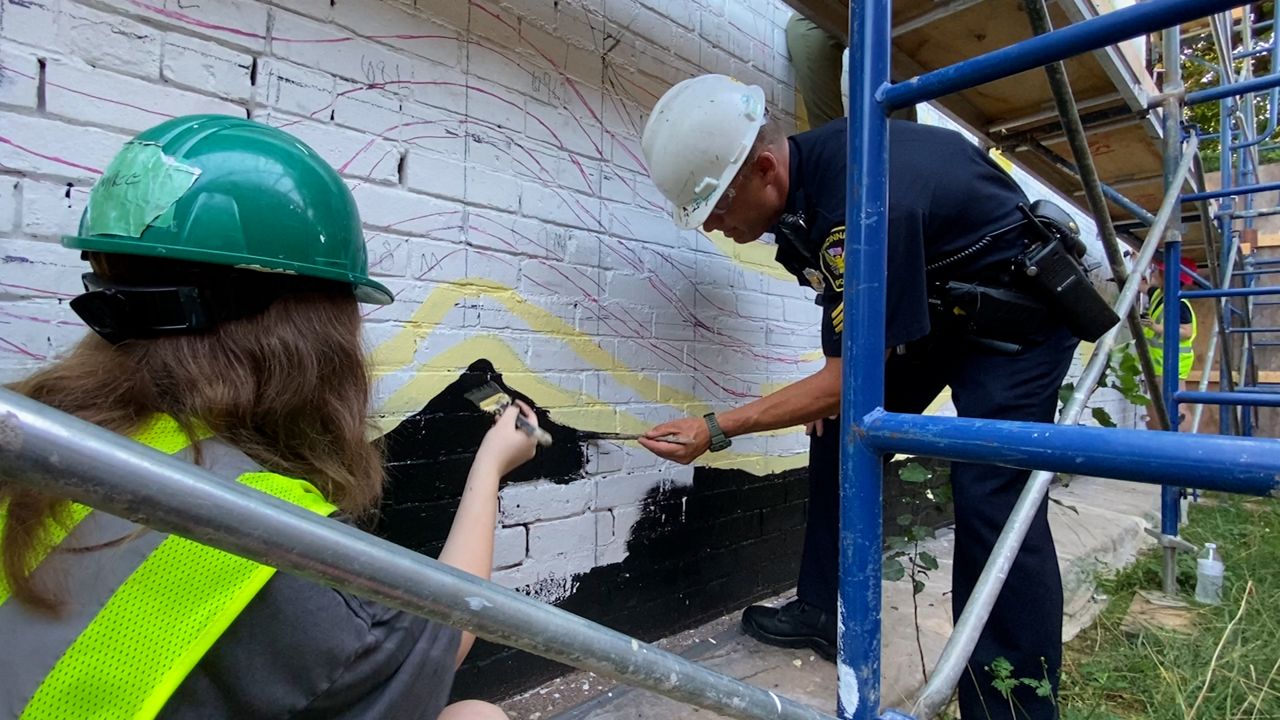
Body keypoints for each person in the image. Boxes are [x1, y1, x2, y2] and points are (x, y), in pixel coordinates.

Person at [0, 115, 537, 720]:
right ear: (310, 333)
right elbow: (443, 633)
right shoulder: (259, 535)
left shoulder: (35, 436)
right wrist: (491, 466)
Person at [637, 75, 1109, 719]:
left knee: (993, 495)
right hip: (939, 305)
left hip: (1015, 318)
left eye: (716, 207)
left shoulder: (859, 202)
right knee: (836, 429)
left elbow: (847, 376)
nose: (715, 226)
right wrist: (827, 395)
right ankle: (823, 610)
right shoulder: (807, 192)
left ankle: (1013, 706)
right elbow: (842, 314)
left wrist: (718, 428)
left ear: (765, 170)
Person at [1141, 259, 1198, 430]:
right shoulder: (1159, 295)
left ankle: (1184, 441)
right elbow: (1142, 286)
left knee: (1176, 407)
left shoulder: (1179, 303)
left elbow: (1186, 332)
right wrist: (1138, 261)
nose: (1154, 272)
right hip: (1159, 362)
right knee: (1156, 405)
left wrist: (1156, 328)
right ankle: (1162, 440)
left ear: (1166, 276)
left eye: (1158, 270)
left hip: (1173, 362)